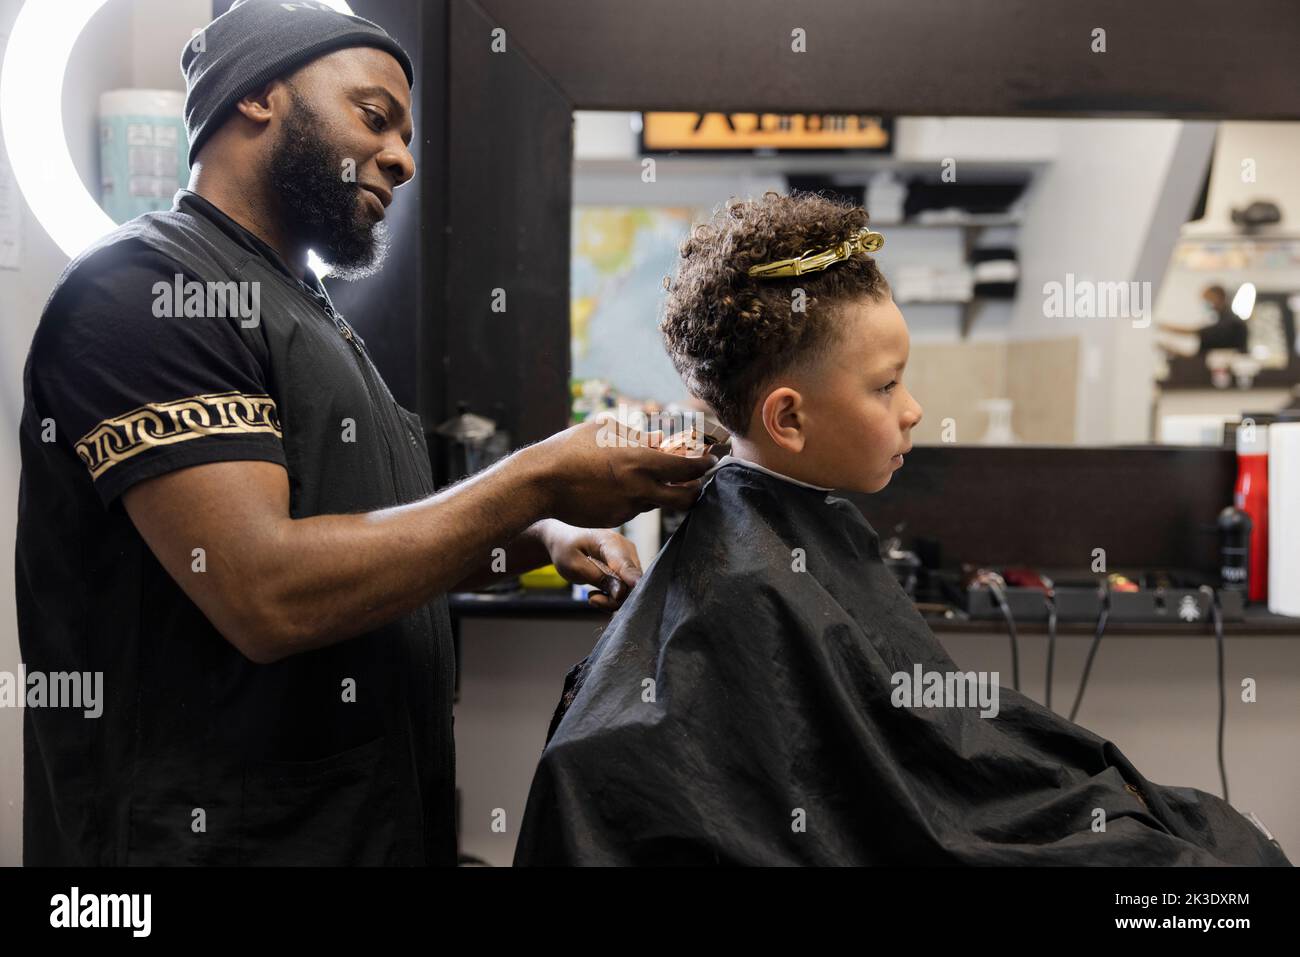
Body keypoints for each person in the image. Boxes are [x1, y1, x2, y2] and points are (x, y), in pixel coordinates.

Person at [15, 0, 714, 866]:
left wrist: (544, 534)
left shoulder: (312, 320)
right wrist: (537, 478)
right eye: (374, 117)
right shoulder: (146, 291)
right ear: (258, 97)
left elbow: (392, 550)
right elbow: (266, 591)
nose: (404, 158)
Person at [513, 192, 1291, 866]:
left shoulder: (777, 538)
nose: (913, 408)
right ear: (789, 417)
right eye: (886, 386)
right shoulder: (748, 580)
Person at [1157, 284, 1249, 355]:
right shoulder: (1221, 321)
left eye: (1207, 299)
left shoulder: (1231, 324)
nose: (1206, 303)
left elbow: (1196, 332)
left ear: (1217, 298)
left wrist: (1166, 327)